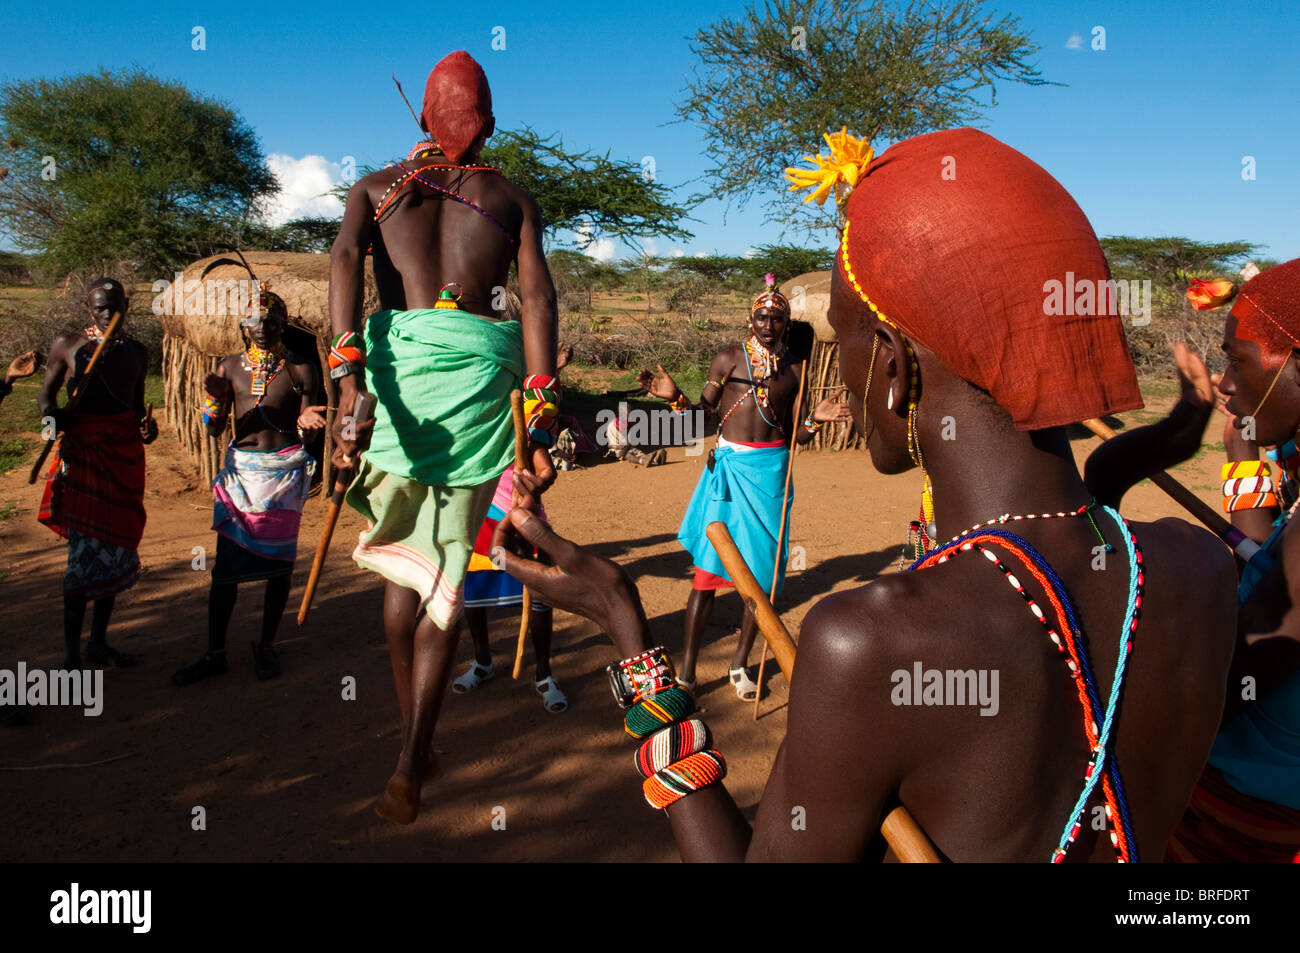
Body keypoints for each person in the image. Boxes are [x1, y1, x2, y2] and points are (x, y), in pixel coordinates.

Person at [492, 128, 1239, 861]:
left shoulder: (875, 642)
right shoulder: (1198, 569)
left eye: (845, 335)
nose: (842, 379)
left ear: (891, 363)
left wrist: (629, 631)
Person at [329, 50, 558, 823]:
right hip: (475, 402)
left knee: (405, 569)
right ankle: (411, 755)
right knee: (450, 568)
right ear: (488, 121)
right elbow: (534, 298)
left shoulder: (375, 189)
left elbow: (341, 262)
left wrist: (348, 380)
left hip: (394, 395)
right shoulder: (509, 197)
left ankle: (414, 743)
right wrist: (542, 411)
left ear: (424, 116)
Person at [1087, 260, 1300, 862]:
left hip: (1244, 827)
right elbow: (1264, 561)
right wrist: (1242, 452)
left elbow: (1227, 688)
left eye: (1237, 360)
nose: (1226, 384)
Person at [639, 276, 849, 699]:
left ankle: (739, 666)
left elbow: (796, 436)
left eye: (776, 317)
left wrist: (816, 419)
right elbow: (702, 417)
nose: (768, 323)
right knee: (704, 577)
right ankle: (688, 672)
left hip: (771, 475)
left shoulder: (796, 368)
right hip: (730, 473)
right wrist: (675, 397)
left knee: (759, 579)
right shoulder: (728, 360)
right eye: (761, 316)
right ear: (749, 319)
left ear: (786, 323)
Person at [171, 287, 326, 685]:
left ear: (283, 324)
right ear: (244, 324)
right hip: (241, 477)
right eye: (255, 320)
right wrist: (214, 400)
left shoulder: (303, 369)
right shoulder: (229, 367)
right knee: (225, 569)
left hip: (282, 477)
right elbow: (212, 428)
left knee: (278, 567)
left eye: (272, 321)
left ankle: (267, 645)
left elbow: (310, 431)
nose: (262, 327)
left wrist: (307, 427)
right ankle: (215, 652)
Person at [37, 278, 158, 669]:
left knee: (117, 546)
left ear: (127, 303)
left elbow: (136, 407)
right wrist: (50, 423)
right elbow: (46, 395)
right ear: (90, 308)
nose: (108, 314)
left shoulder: (137, 352)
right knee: (82, 554)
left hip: (123, 457)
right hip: (85, 457)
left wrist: (146, 427)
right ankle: (72, 655)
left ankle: (98, 644)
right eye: (100, 307)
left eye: (115, 305)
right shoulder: (68, 344)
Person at [451, 465, 567, 713]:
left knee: (537, 597)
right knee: (475, 595)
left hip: (522, 519)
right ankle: (483, 662)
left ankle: (544, 674)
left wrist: (542, 480)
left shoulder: (525, 427)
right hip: (478, 516)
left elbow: (545, 463)